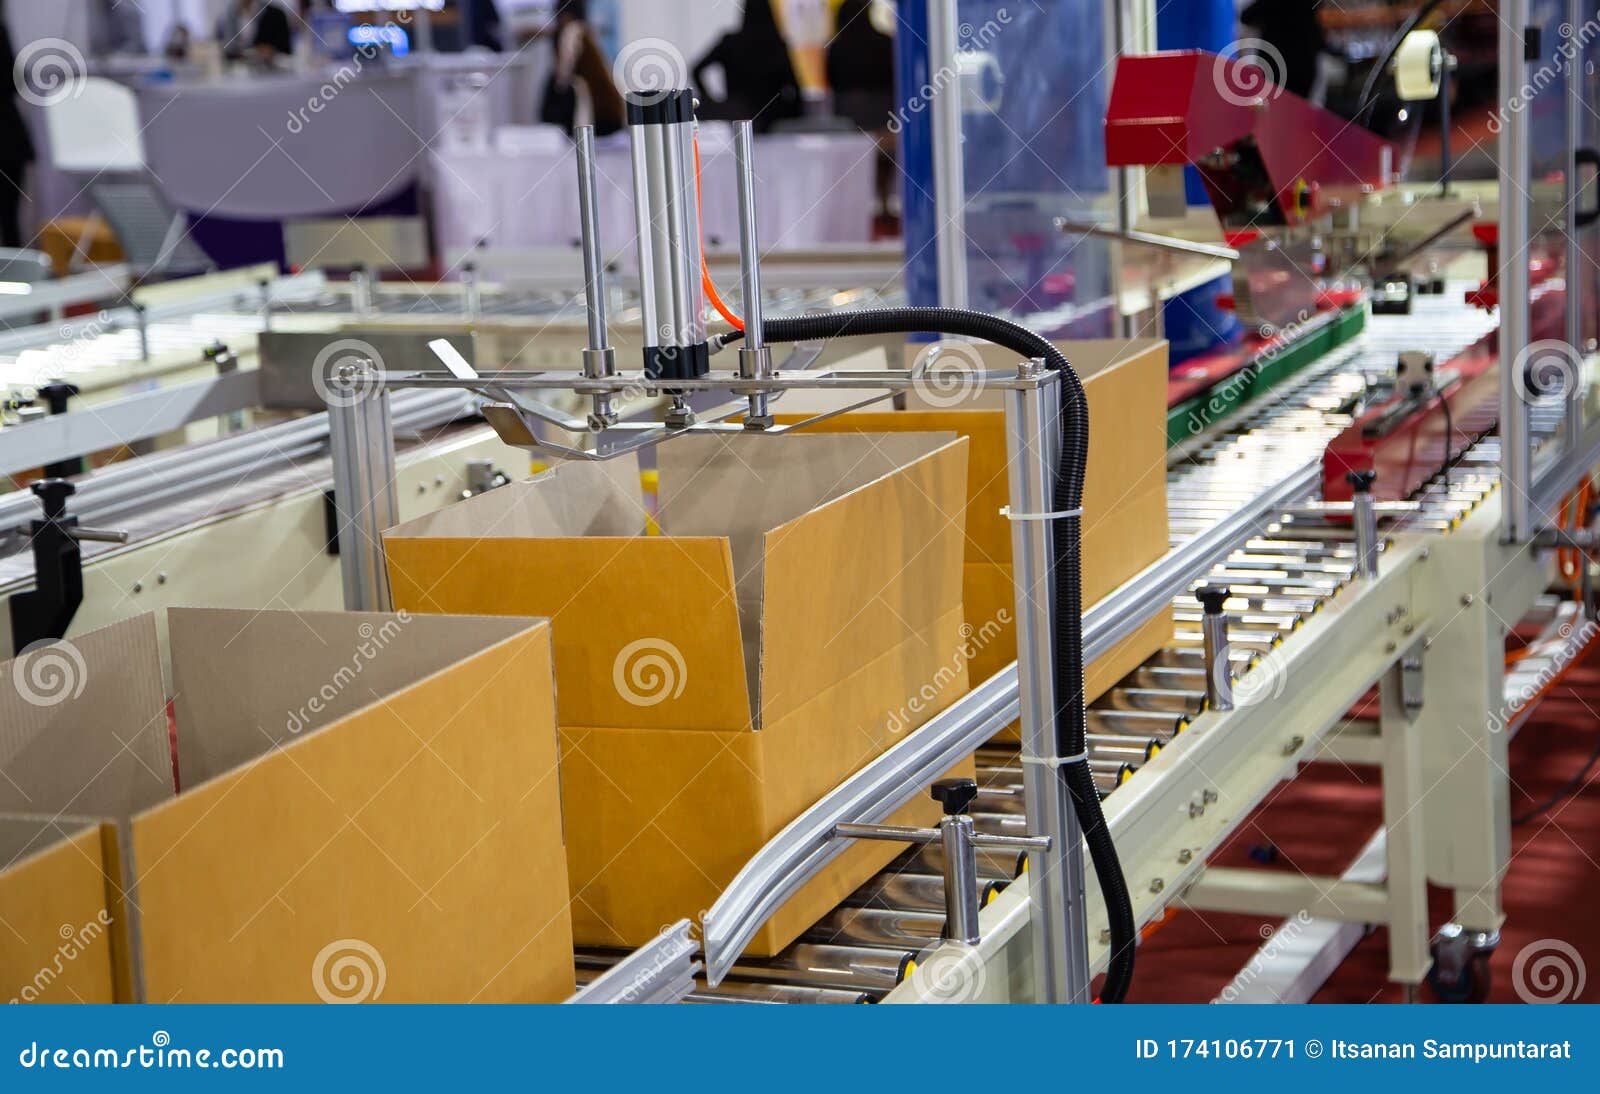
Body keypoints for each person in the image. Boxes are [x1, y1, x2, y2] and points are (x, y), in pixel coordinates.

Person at [692, 0, 803, 133]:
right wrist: (794, 111)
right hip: (771, 119)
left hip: (737, 115)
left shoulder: (731, 42)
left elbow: (697, 69)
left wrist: (710, 100)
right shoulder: (777, 43)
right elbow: (793, 85)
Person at [537, 1, 625, 137]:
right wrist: (562, 77)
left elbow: (610, 124)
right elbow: (549, 122)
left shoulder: (596, 82)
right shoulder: (559, 83)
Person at [1240, 0, 1327, 101]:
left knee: (1273, 104)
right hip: (1302, 65)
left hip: (1275, 64)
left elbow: (1247, 17)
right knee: (1297, 105)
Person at [0, 2, 35, 250]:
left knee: (9, 219)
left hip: (8, 140)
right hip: (9, 140)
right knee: (10, 220)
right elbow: (15, 83)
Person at [218, 0, 294, 62]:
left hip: (270, 72)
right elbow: (224, 48)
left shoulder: (276, 15)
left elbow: (287, 52)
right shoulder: (228, 16)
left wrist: (273, 53)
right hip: (236, 72)